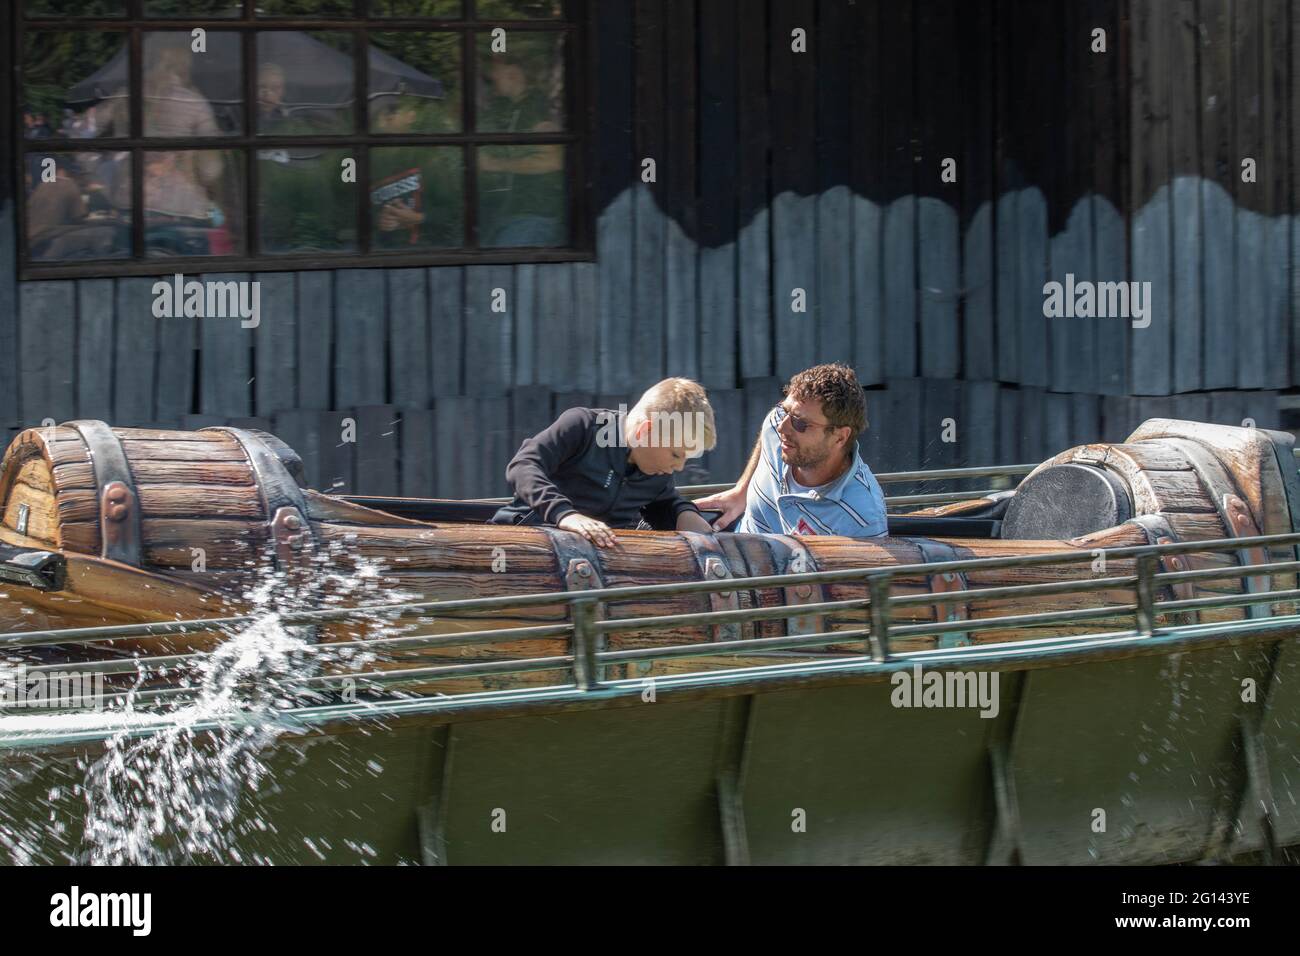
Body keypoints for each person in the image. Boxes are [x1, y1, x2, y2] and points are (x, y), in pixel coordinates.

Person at [491, 378, 719, 547]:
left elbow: (665, 503)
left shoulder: (655, 471)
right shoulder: (583, 426)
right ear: (646, 431)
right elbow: (524, 465)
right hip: (522, 540)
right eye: (676, 455)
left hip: (589, 562)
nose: (679, 467)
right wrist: (565, 514)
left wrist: (687, 517)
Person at [695, 363, 888, 538]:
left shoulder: (863, 516)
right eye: (785, 411)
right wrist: (742, 490)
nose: (782, 427)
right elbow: (769, 429)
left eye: (800, 423)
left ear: (840, 437)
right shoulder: (777, 425)